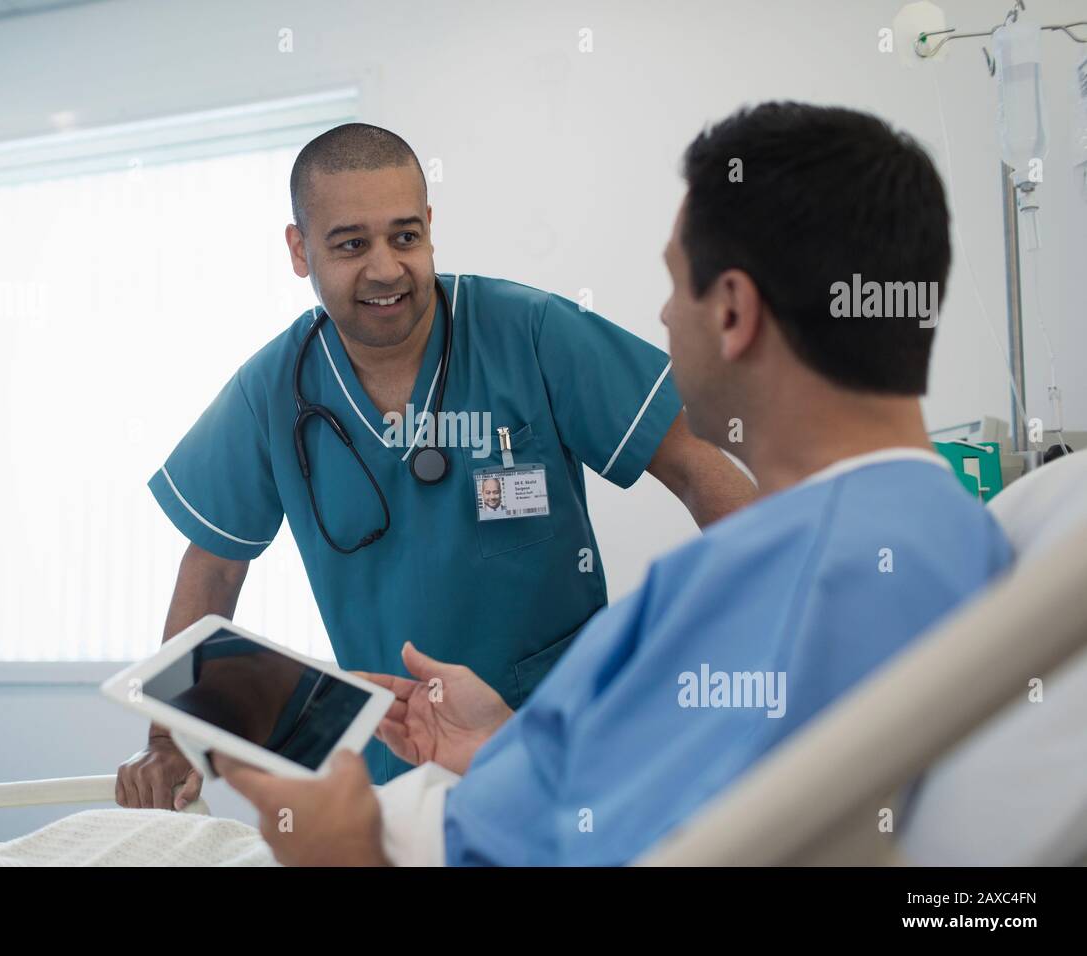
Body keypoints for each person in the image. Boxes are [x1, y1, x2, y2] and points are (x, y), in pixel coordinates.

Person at [208, 101, 1014, 865]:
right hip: (462, 769)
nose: (661, 319)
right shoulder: (936, 539)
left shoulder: (764, 588)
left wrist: (348, 849)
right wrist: (497, 749)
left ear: (732, 312)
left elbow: (639, 837)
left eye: (674, 285)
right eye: (350, 243)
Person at [118, 123, 757, 804]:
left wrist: (767, 625)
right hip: (400, 760)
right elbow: (212, 565)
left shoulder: (529, 333)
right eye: (350, 245)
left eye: (404, 236)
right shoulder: (272, 391)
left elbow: (693, 460)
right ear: (300, 250)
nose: (387, 268)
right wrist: (168, 741)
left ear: (429, 225)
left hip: (564, 743)